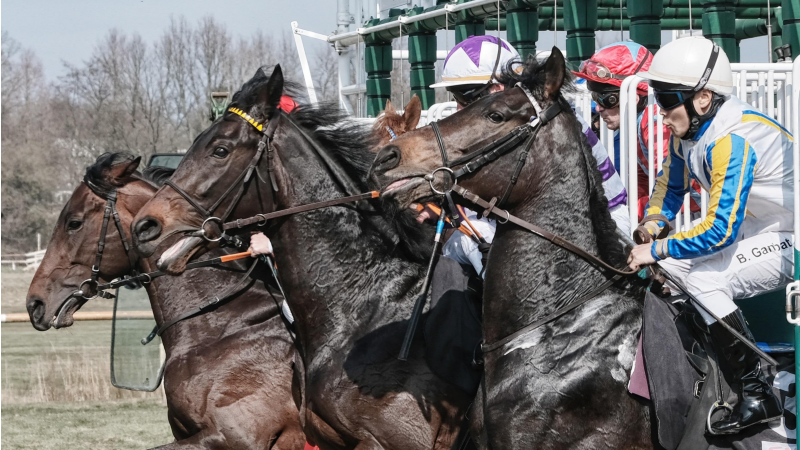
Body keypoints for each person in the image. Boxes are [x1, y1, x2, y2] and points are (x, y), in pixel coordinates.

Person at [627, 36, 789, 433]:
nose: (661, 113)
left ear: (702, 99)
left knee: (701, 278)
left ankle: (758, 393)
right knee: (677, 268)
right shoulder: (690, 131)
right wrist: (652, 226)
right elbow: (670, 187)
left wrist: (658, 249)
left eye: (667, 101)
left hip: (791, 235)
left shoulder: (730, 140)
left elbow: (719, 229)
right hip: (762, 225)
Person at [573, 42, 701, 221]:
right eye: (595, 98)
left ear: (634, 95)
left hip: (718, 212)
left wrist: (633, 216)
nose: (598, 108)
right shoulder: (638, 121)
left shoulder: (655, 122)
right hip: (696, 212)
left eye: (605, 99)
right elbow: (644, 180)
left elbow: (673, 189)